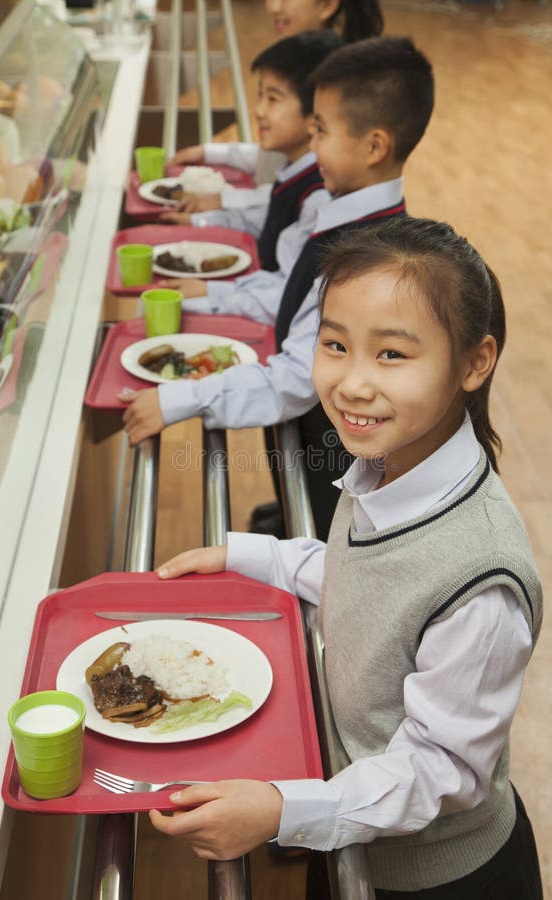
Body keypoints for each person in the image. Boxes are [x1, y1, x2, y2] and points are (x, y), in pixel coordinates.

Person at [147, 217, 544, 900]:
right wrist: (248, 555)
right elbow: (364, 575)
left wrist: (283, 811)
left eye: (391, 354)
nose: (353, 383)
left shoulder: (482, 576)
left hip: (435, 878)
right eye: (335, 344)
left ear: (476, 362)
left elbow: (439, 772)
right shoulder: (389, 464)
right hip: (351, 831)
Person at [119, 37, 435, 541]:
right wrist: (210, 297)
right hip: (325, 447)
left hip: (339, 462)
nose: (312, 149)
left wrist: (180, 399)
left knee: (330, 538)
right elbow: (290, 287)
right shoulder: (347, 217)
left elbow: (293, 379)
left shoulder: (365, 260)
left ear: (375, 146)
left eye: (323, 133)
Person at [165, 0, 384, 218]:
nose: (273, 7)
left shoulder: (333, 90)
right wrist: (210, 153)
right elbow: (275, 161)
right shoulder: (297, 66)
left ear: (327, 6)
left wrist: (223, 202)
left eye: (273, 98)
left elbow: (292, 189)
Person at [160, 30, 339, 274]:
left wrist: (209, 295)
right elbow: (263, 221)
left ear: (315, 114)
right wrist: (200, 222)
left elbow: (286, 288)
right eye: (260, 95)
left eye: (273, 99)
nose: (259, 110)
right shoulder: (293, 169)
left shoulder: (317, 193)